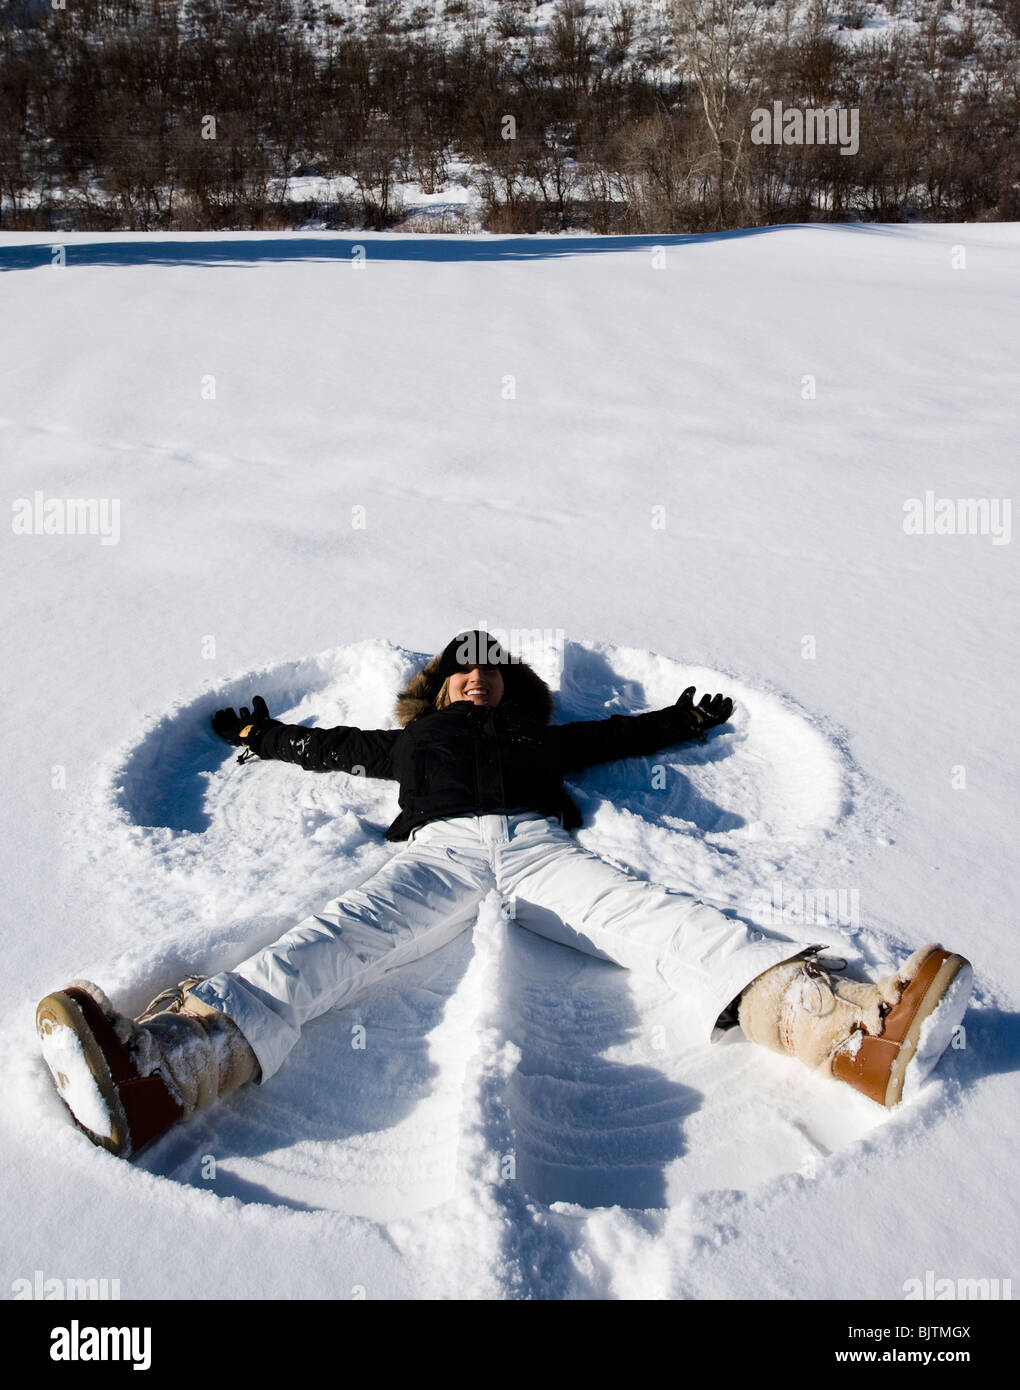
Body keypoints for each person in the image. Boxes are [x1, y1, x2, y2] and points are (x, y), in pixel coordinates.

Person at [37, 631, 973, 1158]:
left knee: (666, 919)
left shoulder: (540, 741)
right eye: (459, 671)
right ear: (437, 691)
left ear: (508, 690)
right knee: (333, 939)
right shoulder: (410, 744)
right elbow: (335, 751)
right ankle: (169, 1074)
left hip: (536, 852)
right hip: (435, 856)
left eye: (488, 671)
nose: (473, 678)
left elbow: (614, 737)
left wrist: (682, 722)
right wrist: (266, 735)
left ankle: (840, 1031)